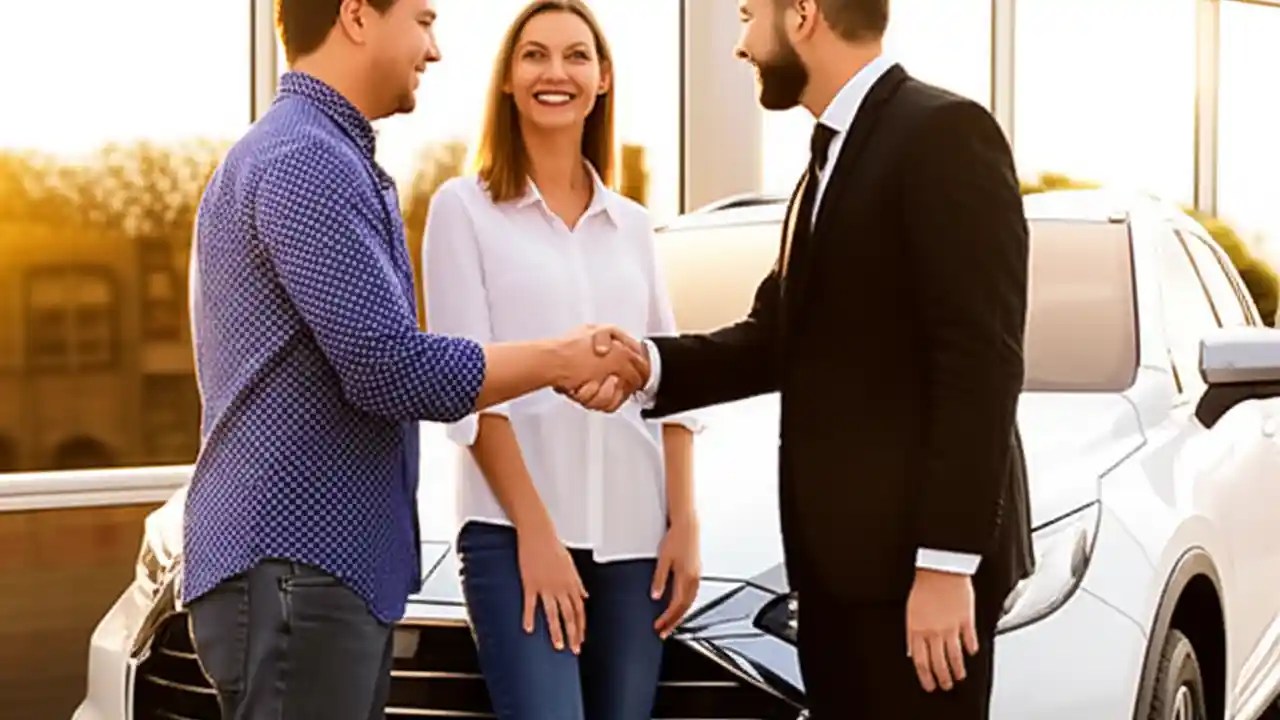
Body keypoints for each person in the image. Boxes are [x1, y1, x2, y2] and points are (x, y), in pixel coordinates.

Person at [181, 1, 648, 718]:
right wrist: (560, 359)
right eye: (423, 21)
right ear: (357, 16)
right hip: (297, 568)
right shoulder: (306, 161)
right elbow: (390, 369)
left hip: (309, 574)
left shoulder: (314, 154)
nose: (431, 51)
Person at [576, 0, 1034, 717]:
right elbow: (776, 336)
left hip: (913, 580)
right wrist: (649, 366)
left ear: (803, 14)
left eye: (748, 16)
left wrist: (946, 566)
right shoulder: (830, 159)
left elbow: (981, 362)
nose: (740, 45)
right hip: (837, 579)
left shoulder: (944, 135)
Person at [421, 2, 701, 718]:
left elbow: (671, 384)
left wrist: (685, 526)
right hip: (513, 537)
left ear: (602, 79)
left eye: (577, 56)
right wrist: (535, 536)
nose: (556, 72)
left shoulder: (633, 225)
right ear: (508, 81)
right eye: (535, 55)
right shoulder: (463, 209)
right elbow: (469, 387)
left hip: (635, 542)